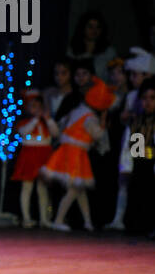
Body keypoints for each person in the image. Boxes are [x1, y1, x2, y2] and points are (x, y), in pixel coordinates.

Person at [40, 80, 115, 231]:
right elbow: (98, 135)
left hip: (70, 151)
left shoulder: (77, 111)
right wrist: (103, 122)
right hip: (75, 154)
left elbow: (62, 126)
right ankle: (58, 219)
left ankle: (87, 221)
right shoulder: (90, 118)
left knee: (80, 190)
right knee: (74, 190)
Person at [116, 80, 155, 236]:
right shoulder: (136, 122)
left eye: (152, 98)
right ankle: (136, 226)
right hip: (139, 165)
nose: (148, 102)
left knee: (153, 197)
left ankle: (153, 227)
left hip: (152, 166)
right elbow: (130, 147)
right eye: (145, 98)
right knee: (136, 196)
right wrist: (126, 168)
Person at [11, 89, 59, 228]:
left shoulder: (46, 123)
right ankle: (26, 218)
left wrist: (48, 119)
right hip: (29, 155)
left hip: (44, 155)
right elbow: (23, 132)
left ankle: (44, 218)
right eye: (32, 106)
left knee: (42, 188)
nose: (36, 109)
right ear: (27, 107)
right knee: (27, 187)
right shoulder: (24, 122)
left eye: (38, 106)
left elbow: (56, 133)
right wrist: (36, 119)